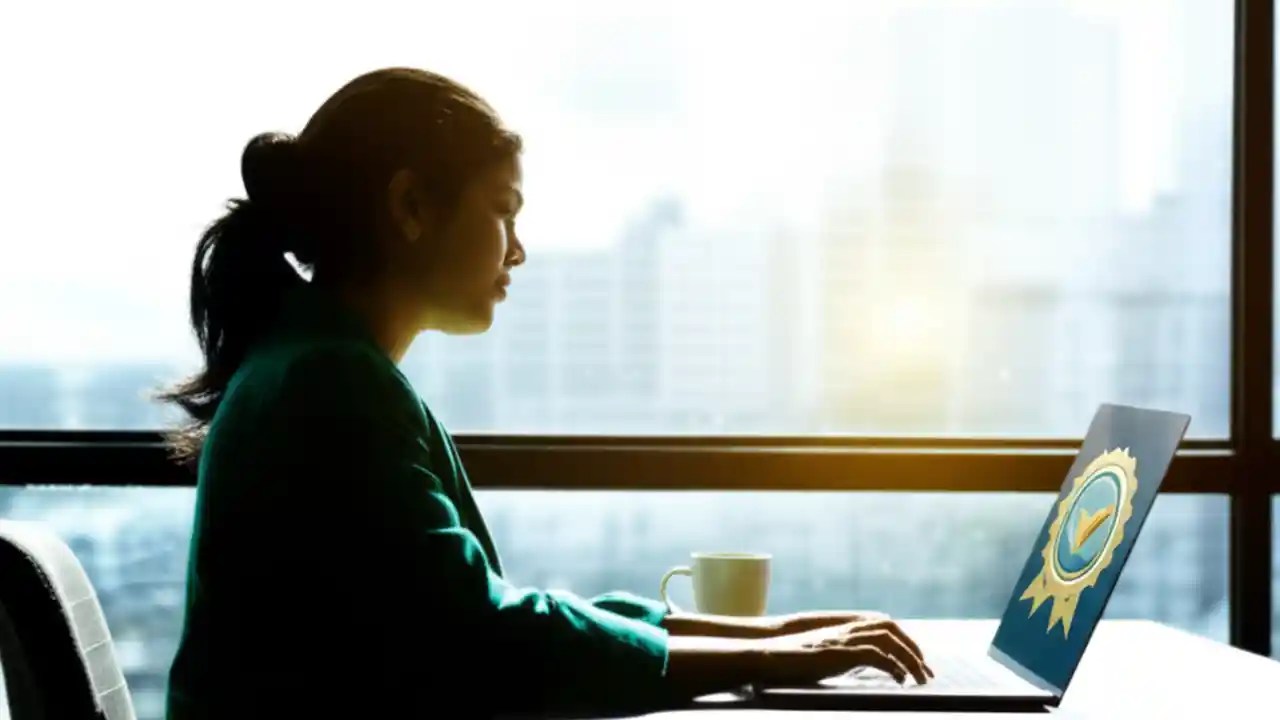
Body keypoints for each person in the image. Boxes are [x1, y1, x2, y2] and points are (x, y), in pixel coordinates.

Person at [159, 67, 931, 719]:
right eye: (503, 212)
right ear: (411, 208)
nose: (518, 251)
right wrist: (767, 657)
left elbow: (474, 613)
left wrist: (763, 638)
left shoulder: (307, 366)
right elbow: (486, 637)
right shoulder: (331, 384)